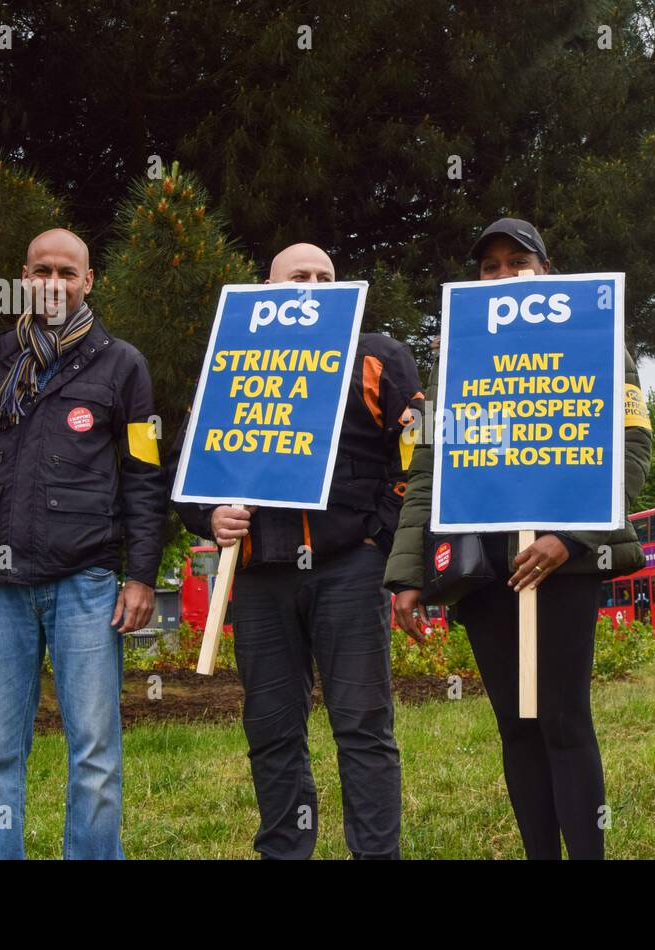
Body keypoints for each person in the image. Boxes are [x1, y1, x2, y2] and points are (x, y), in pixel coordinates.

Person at [386, 218, 652, 859]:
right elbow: (427, 469)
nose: (503, 275)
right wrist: (406, 573)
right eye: (489, 266)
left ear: (547, 272)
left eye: (518, 262)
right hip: (483, 572)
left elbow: (633, 453)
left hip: (565, 567)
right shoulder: (452, 357)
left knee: (564, 722)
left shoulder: (603, 344)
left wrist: (569, 537)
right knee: (516, 726)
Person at [0, 228, 166, 859]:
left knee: (95, 755)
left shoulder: (123, 365)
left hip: (87, 582)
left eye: (67, 272)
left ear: (88, 281)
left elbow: (145, 477)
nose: (53, 282)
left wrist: (142, 575)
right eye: (41, 270)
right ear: (23, 276)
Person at [172, 243, 424, 860]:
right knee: (271, 730)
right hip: (261, 579)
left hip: (349, 570)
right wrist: (209, 515)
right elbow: (184, 468)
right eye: (298, 277)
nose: (312, 286)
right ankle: (285, 850)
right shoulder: (228, 360)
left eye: (325, 278)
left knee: (363, 727)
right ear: (266, 288)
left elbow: (418, 455)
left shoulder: (380, 357)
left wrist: (381, 542)